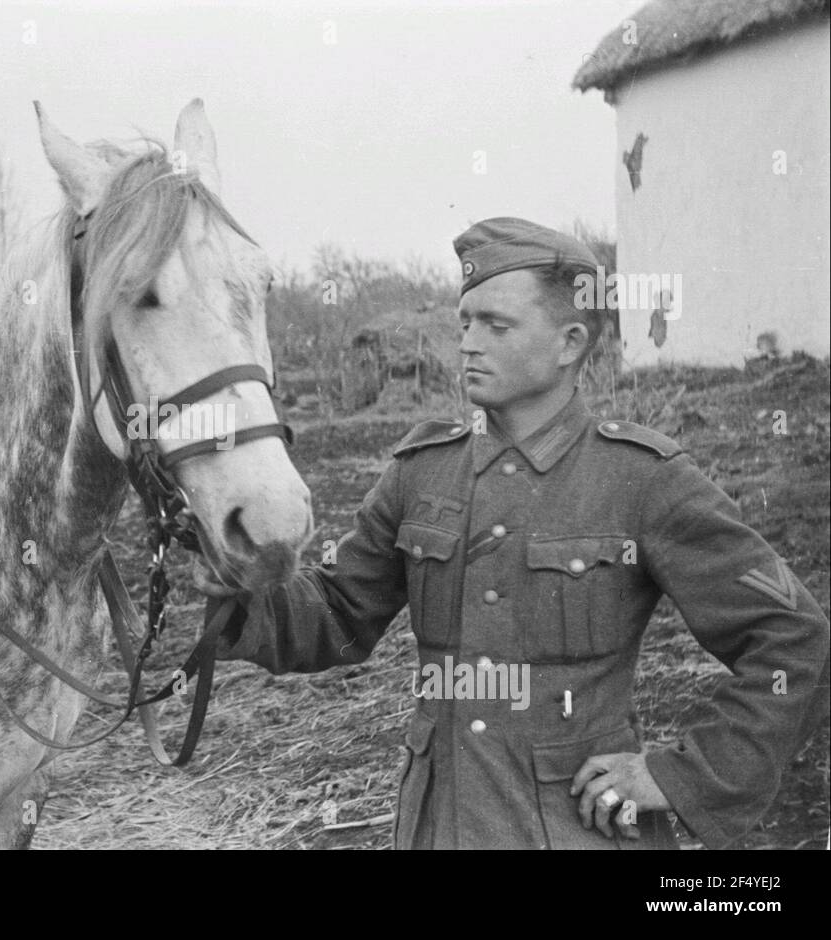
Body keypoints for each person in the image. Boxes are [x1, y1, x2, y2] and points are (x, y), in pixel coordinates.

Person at [197, 217, 830, 849]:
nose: (469, 343)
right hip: (437, 827)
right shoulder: (421, 472)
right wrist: (230, 583)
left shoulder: (643, 480)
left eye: (497, 325)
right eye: (465, 323)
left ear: (569, 342)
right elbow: (335, 615)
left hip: (576, 832)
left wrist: (682, 774)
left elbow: (791, 636)